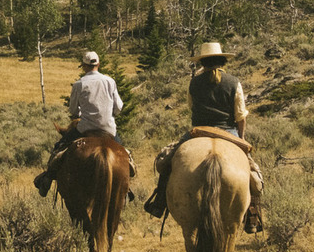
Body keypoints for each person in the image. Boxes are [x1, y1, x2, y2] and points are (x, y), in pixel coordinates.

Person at [143, 42, 265, 233]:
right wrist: (241, 140)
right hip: (229, 132)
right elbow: (240, 115)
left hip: (198, 131)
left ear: (203, 62)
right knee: (253, 175)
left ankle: (159, 202)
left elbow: (192, 107)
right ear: (223, 60)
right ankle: (252, 215)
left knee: (166, 162)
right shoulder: (234, 82)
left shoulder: (194, 82)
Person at [34, 51, 134, 196]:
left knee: (58, 149)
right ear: (98, 64)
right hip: (108, 129)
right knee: (124, 154)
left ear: (84, 66)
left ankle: (47, 179)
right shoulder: (110, 81)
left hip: (85, 129)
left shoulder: (79, 84)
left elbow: (73, 110)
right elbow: (118, 107)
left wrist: (81, 114)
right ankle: (126, 186)